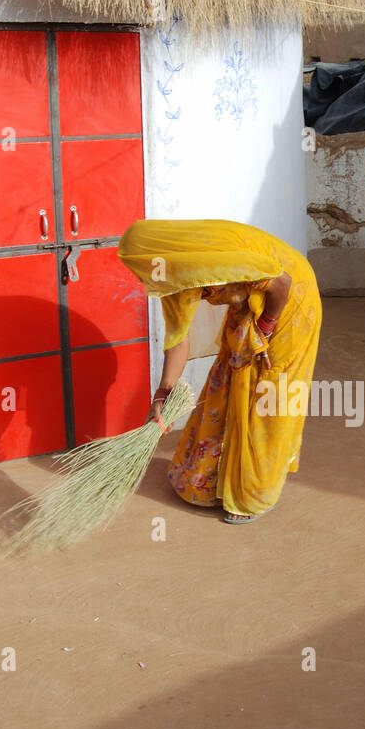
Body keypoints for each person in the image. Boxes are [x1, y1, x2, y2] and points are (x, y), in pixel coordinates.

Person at [116, 219, 322, 523]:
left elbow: (282, 283)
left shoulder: (212, 255)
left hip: (290, 306)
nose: (147, 278)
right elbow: (178, 338)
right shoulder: (175, 274)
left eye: (146, 268)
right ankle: (215, 477)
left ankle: (255, 495)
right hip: (253, 306)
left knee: (268, 393)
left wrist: (263, 331)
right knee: (227, 380)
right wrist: (162, 392)